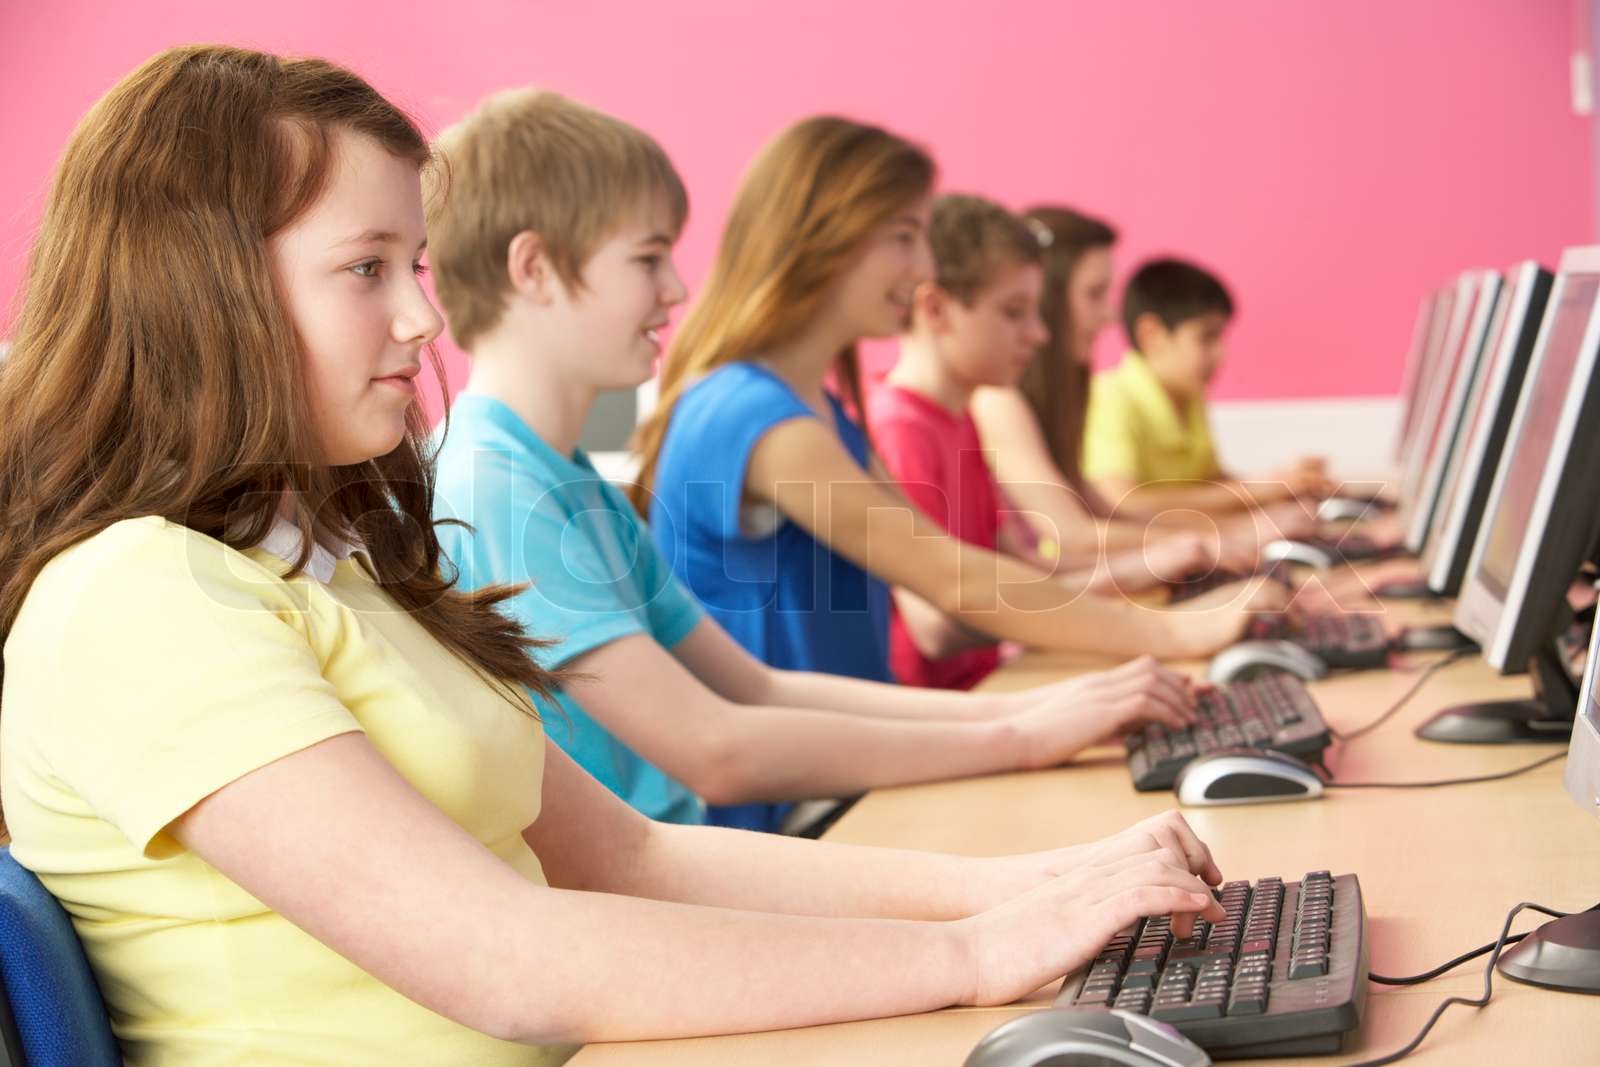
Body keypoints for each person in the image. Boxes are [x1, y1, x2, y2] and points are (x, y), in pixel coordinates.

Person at [0, 47, 1225, 1065]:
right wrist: (975, 950)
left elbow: (633, 853)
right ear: (200, 289)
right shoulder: (136, 598)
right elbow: (504, 957)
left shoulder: (333, 561)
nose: (422, 317)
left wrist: (1029, 887)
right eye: (367, 268)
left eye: (412, 266)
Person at [426, 91, 1200, 833]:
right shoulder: (497, 484)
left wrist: (1030, 714)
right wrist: (1029, 731)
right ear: (534, 268)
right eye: (649, 258)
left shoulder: (569, 480)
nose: (677, 287)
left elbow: (757, 688)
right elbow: (717, 749)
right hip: (736, 838)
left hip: (747, 828)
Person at [630, 117, 1290, 706]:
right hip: (794, 785)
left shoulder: (820, 409)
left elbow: (970, 568)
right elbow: (953, 583)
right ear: (824, 238)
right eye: (904, 237)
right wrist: (1175, 631)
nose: (923, 266)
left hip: (841, 755)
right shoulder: (755, 418)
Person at [870, 194, 1234, 690]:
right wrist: (1163, 618)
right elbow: (935, 627)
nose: (1039, 334)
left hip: (993, 682)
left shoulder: (962, 418)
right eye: (1014, 312)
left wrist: (1159, 563)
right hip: (951, 704)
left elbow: (1025, 570)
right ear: (935, 309)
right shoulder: (899, 429)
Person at [1081, 257, 1333, 518]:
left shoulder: (1189, 396)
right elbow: (1121, 502)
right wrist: (1256, 491)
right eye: (1206, 337)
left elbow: (1209, 485)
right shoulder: (1110, 397)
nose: (1221, 354)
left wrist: (1283, 485)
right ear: (1152, 334)